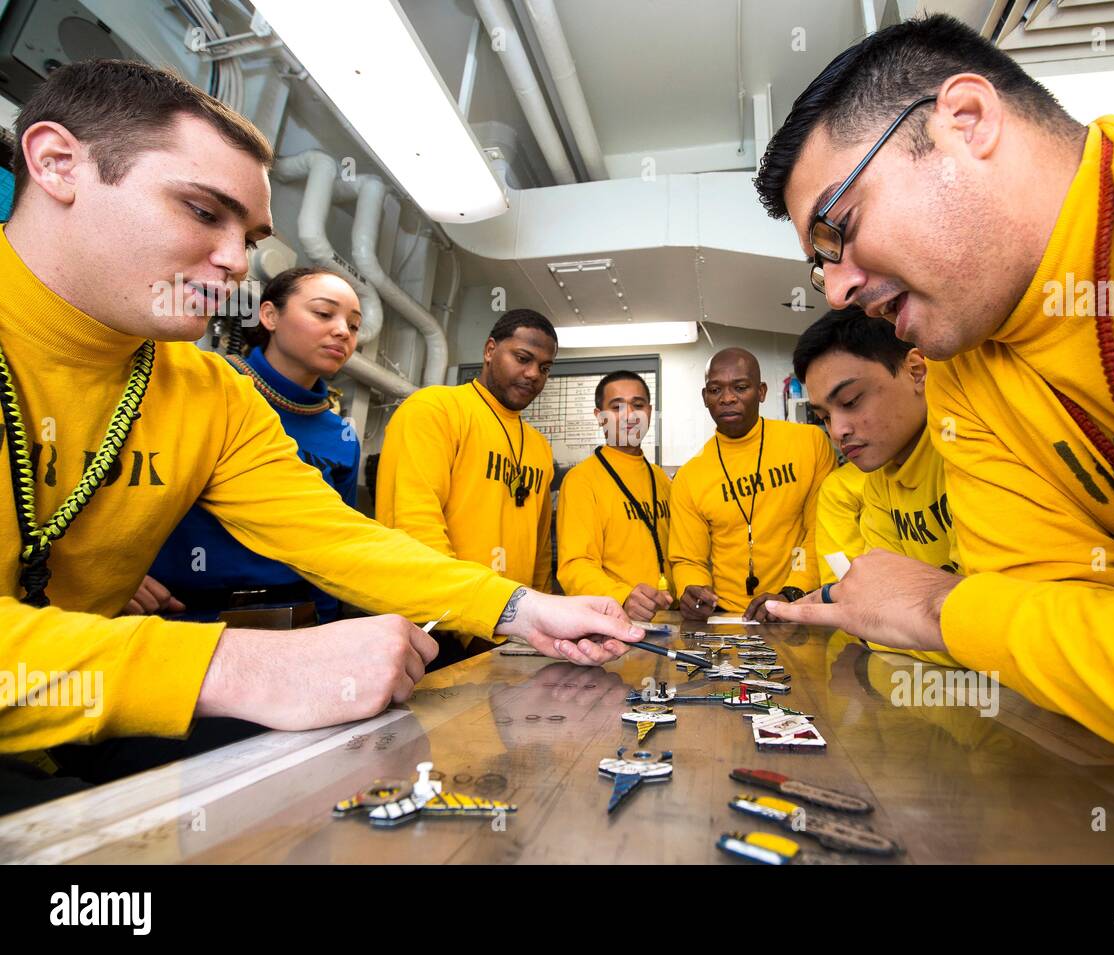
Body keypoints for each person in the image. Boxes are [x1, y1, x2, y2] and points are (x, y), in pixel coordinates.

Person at [0, 59, 639, 807]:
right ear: (55, 163)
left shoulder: (207, 391)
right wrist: (238, 665)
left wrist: (521, 609)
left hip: (76, 734)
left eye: (250, 233)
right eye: (205, 213)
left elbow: (336, 538)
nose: (238, 262)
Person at [754, 12, 1114, 814]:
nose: (836, 291)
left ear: (966, 121)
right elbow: (1050, 643)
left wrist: (945, 609)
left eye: (839, 228)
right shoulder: (965, 380)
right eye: (818, 267)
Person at [133, 266, 362, 623]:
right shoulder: (199, 386)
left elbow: (339, 546)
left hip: (291, 619)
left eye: (354, 325)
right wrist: (114, 577)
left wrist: (326, 625)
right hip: (177, 613)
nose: (341, 331)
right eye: (323, 313)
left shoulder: (341, 435)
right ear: (269, 315)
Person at [795, 310, 960, 668]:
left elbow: (992, 627)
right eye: (824, 416)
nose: (837, 431)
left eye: (851, 401)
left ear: (916, 371)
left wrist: (902, 623)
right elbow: (877, 620)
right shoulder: (879, 483)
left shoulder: (966, 451)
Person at [375, 309, 557, 600]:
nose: (533, 374)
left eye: (545, 368)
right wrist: (461, 607)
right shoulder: (434, 409)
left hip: (514, 620)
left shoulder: (539, 446)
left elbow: (540, 545)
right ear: (489, 350)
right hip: (441, 617)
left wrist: (539, 606)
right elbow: (416, 524)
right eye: (523, 359)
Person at [669, 347, 834, 622]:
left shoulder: (809, 443)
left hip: (800, 606)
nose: (727, 399)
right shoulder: (689, 476)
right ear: (705, 397)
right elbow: (689, 559)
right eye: (715, 390)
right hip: (726, 618)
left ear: (761, 392)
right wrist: (691, 589)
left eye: (741, 387)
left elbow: (819, 531)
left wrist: (791, 593)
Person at [556, 371, 673, 621]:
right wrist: (623, 597)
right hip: (614, 624)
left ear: (650, 412)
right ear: (600, 417)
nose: (629, 415)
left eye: (638, 405)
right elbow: (574, 566)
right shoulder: (581, 480)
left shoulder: (661, 479)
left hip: (670, 622)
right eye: (617, 406)